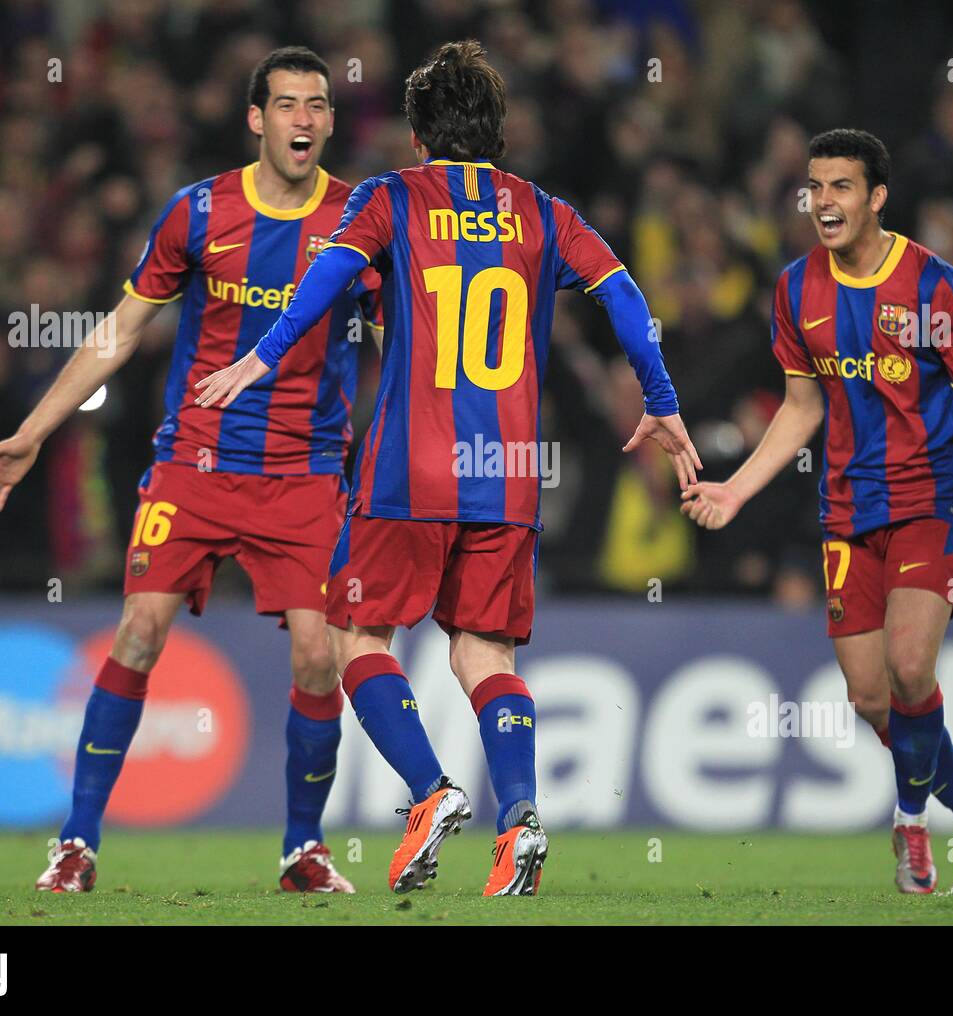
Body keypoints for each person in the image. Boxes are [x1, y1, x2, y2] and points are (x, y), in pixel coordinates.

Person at [195, 40, 700, 896]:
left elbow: (327, 278)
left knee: (358, 634)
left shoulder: (393, 197)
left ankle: (430, 791)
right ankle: (522, 820)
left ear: (418, 138)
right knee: (486, 650)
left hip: (408, 468)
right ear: (498, 133)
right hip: (505, 473)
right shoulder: (541, 210)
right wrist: (660, 397)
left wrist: (264, 355)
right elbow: (623, 295)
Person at [0, 46, 381, 894]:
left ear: (332, 121)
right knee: (139, 631)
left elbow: (393, 342)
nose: (304, 119)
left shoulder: (360, 222)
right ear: (256, 118)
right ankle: (76, 845)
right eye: (287, 104)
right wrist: (36, 430)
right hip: (194, 464)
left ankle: (303, 851)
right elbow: (120, 332)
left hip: (304, 475)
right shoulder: (198, 213)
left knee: (316, 658)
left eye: (318, 105)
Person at [681, 128, 953, 894]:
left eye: (841, 187)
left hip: (930, 498)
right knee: (872, 696)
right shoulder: (794, 290)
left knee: (912, 668)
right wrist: (734, 490)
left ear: (877, 197)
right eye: (815, 188)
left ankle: (911, 824)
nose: (824, 202)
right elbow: (799, 408)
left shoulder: (932, 284)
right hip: (848, 508)